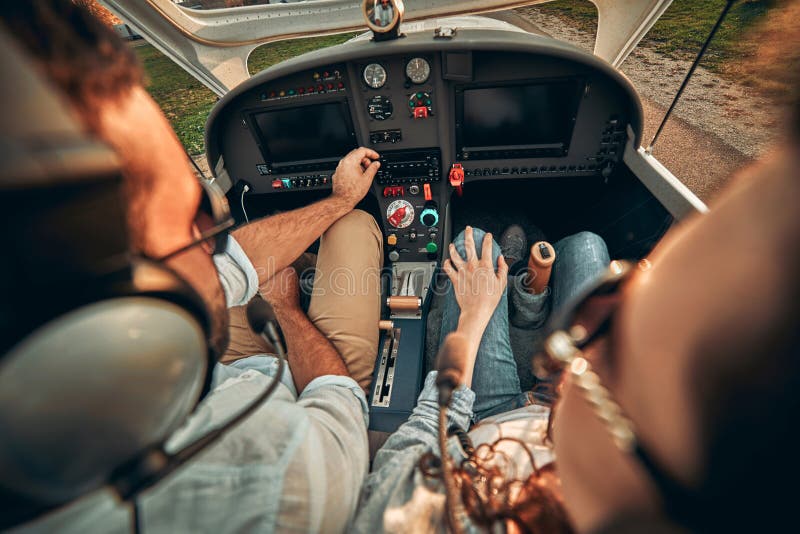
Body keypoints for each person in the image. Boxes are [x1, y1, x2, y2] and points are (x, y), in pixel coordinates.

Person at [0, 1, 381, 531]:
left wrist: (338, 199)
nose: (218, 231)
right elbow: (337, 408)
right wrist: (289, 310)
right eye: (194, 218)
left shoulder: (58, 319)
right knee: (357, 228)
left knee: (335, 221)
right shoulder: (274, 480)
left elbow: (231, 263)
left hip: (230, 366)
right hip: (312, 389)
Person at [353, 227, 608, 533]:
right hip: (570, 414)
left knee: (472, 243)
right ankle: (524, 290)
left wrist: (474, 314)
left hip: (486, 419)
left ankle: (517, 286)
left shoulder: (404, 520)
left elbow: (424, 435)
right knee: (587, 245)